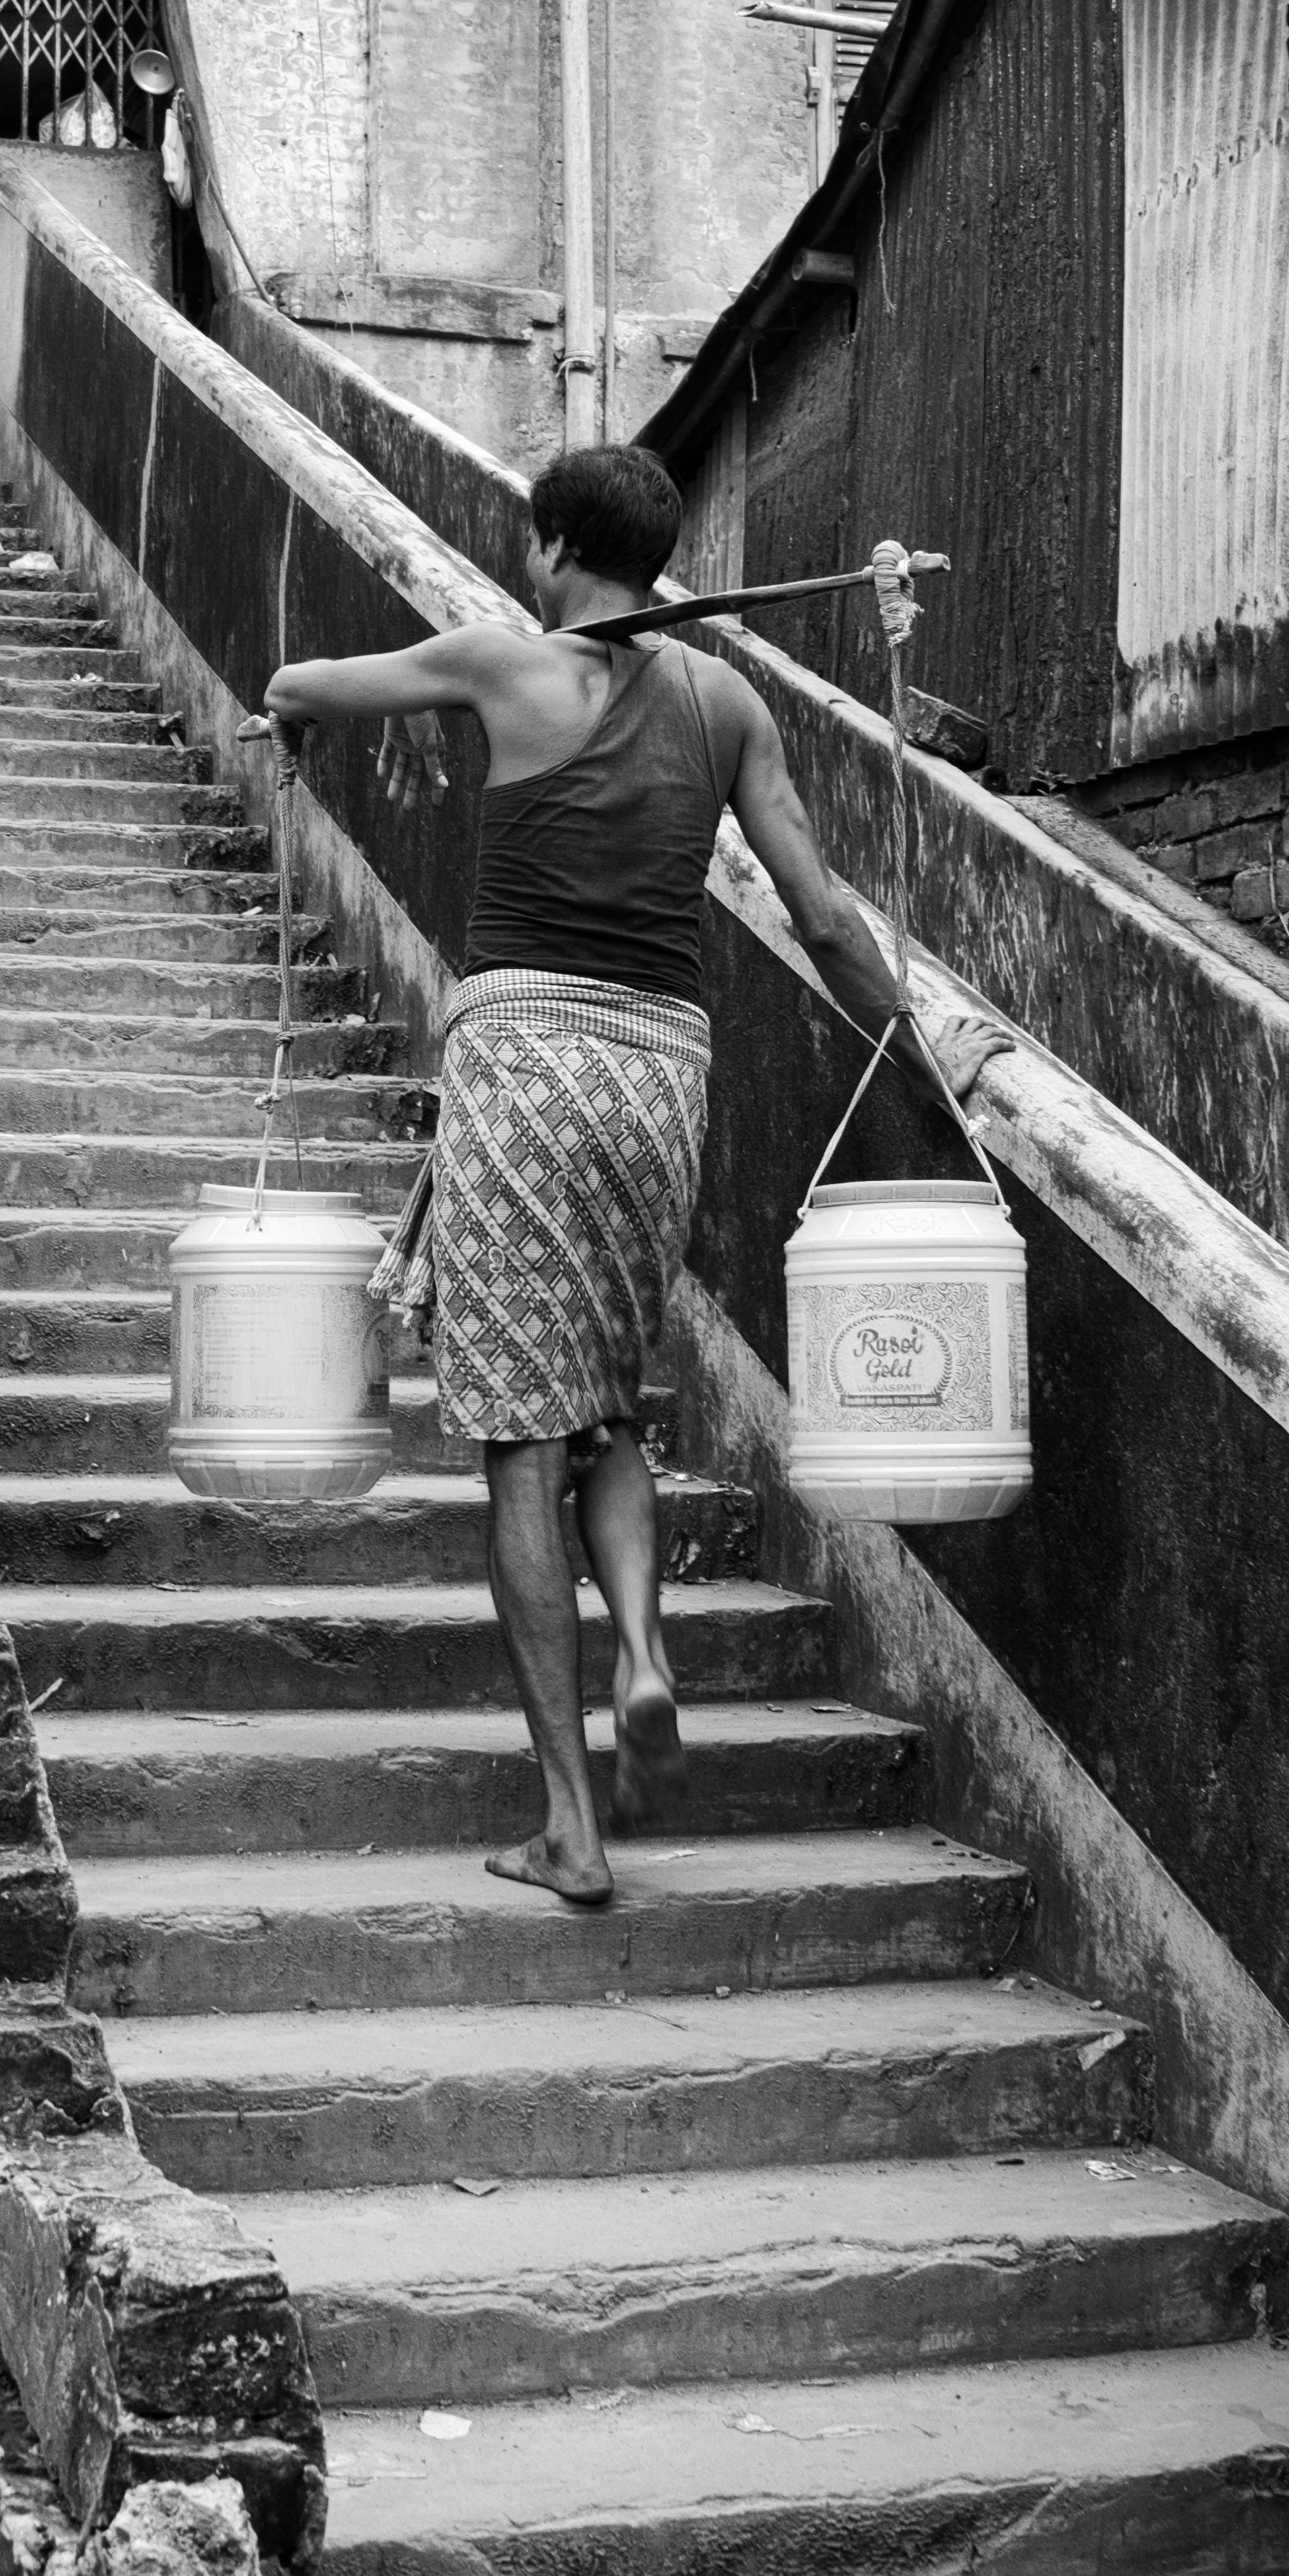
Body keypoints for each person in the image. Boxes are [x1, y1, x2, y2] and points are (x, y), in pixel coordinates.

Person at [264, 441, 981, 1909]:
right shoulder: (727, 701)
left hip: (524, 1060)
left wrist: (297, 717)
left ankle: (572, 1827)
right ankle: (647, 1653)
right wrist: (927, 1060)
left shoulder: (498, 661)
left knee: (520, 1445)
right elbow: (829, 917)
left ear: (549, 548)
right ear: (653, 561)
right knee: (608, 1407)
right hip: (661, 1074)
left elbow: (302, 684)